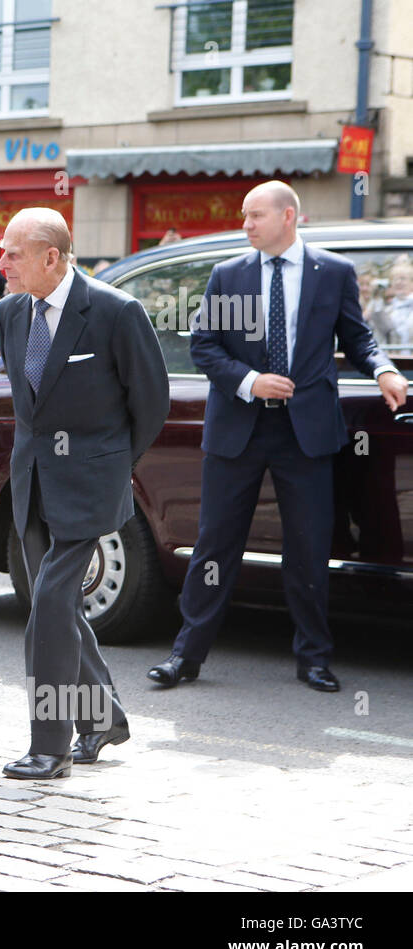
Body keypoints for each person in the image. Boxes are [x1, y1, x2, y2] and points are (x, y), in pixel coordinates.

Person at [149, 181, 408, 694]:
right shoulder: (229, 274)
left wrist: (383, 370)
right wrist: (250, 381)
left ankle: (314, 658)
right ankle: (186, 654)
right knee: (214, 546)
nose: (245, 225)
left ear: (288, 217)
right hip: (239, 427)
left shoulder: (332, 272)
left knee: (309, 548)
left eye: (255, 215)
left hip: (305, 432)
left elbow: (358, 338)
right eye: (245, 216)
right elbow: (204, 346)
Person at [0, 207, 169, 779]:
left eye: (12, 253)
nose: (2, 263)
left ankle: (50, 745)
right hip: (33, 480)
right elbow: (32, 408)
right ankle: (104, 720)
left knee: (46, 607)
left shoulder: (116, 312)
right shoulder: (9, 312)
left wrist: (113, 466)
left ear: (52, 256)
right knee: (59, 605)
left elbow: (151, 402)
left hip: (91, 482)